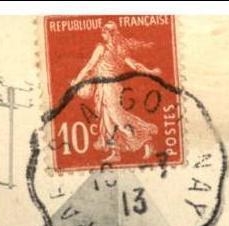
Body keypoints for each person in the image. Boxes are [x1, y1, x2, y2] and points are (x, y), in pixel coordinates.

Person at [68, 20, 161, 163]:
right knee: (107, 120)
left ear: (109, 34)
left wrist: (77, 82)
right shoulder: (120, 50)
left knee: (118, 119)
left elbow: (89, 66)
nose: (102, 35)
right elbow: (135, 65)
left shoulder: (102, 48)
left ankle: (146, 140)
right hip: (105, 88)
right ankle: (115, 152)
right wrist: (150, 71)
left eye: (104, 32)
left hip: (110, 88)